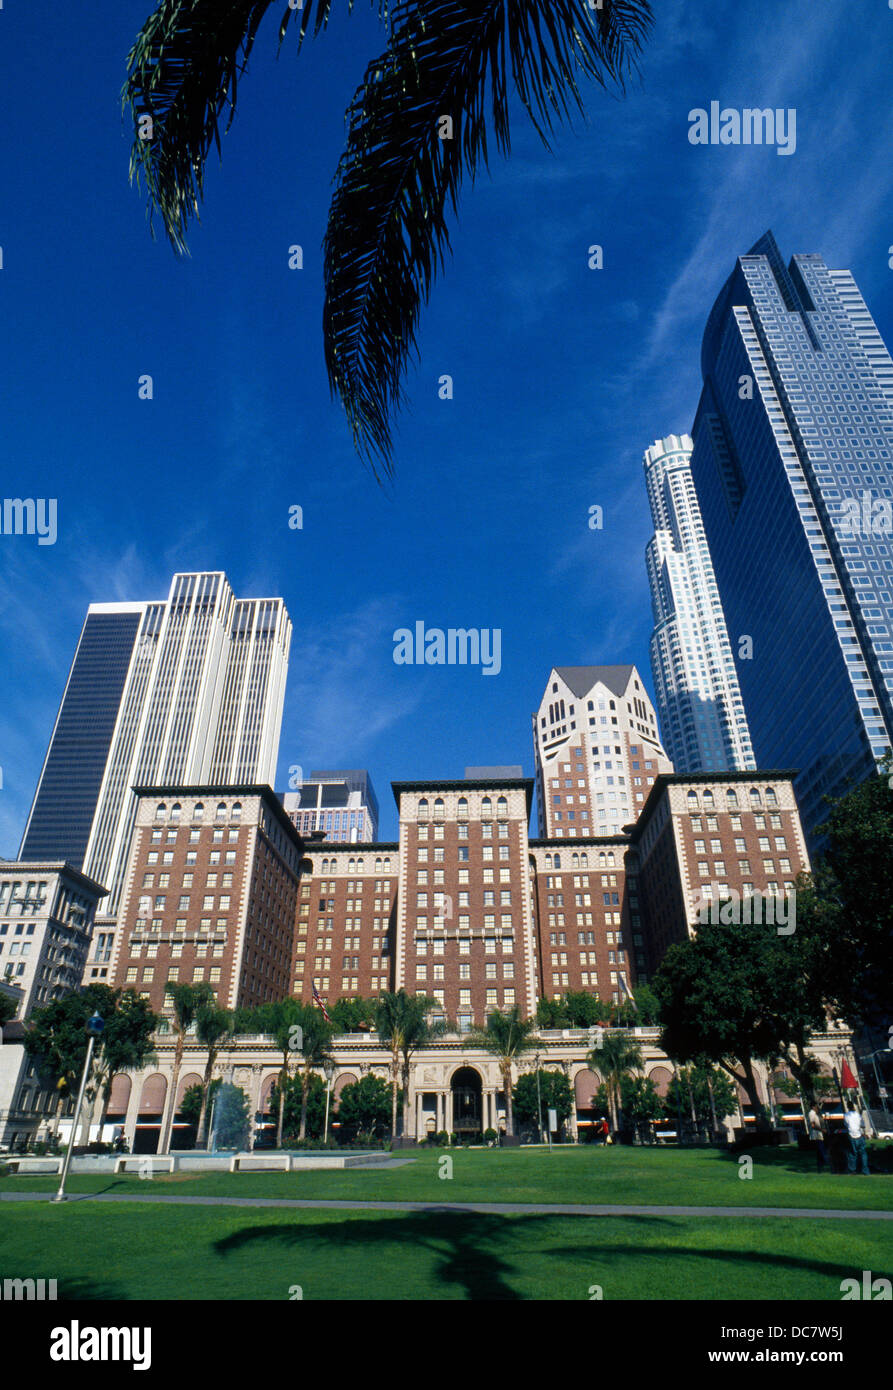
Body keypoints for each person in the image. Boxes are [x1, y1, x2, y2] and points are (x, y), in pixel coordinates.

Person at [844, 1104, 871, 1175]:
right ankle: (865, 1170)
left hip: (852, 1135)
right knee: (863, 1154)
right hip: (859, 1135)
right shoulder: (858, 1115)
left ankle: (852, 1170)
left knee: (853, 1154)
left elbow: (846, 1125)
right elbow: (862, 1125)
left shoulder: (846, 1115)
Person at [807, 1104, 828, 1173]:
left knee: (819, 1153)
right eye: (816, 1107)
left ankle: (820, 1168)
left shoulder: (816, 1114)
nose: (817, 1108)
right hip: (816, 1135)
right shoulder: (812, 1114)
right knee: (821, 1151)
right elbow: (813, 1125)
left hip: (819, 1135)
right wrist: (821, 1130)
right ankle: (826, 1163)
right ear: (813, 1107)